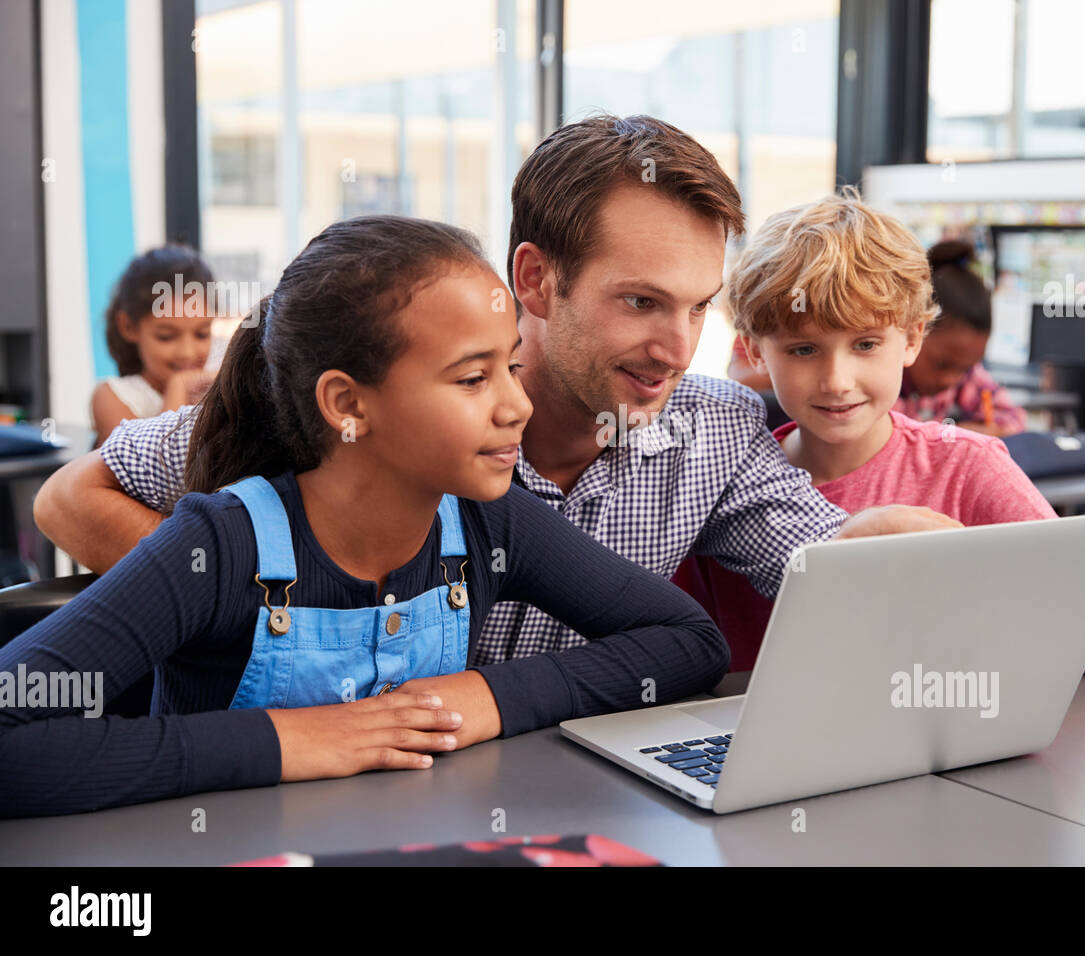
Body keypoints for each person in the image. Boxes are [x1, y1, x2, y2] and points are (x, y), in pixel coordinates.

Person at [35, 115, 958, 667]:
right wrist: (232, 606)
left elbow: (818, 559)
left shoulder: (714, 431)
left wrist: (902, 546)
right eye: (640, 301)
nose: (677, 347)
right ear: (538, 281)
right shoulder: (401, 404)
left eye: (698, 307)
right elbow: (71, 497)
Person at [0, 215, 730, 818]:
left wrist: (487, 696)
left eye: (509, 367)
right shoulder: (220, 547)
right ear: (348, 405)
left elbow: (688, 641)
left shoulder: (489, 523)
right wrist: (290, 741)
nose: (518, 406)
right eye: (473, 379)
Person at [672, 191, 1085, 674]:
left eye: (866, 344)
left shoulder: (967, 467)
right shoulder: (722, 480)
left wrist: (963, 581)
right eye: (803, 350)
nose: (837, 381)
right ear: (754, 352)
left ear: (913, 339)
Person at [894, 239, 1027, 437]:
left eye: (964, 368)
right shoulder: (883, 384)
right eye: (942, 365)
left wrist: (962, 433)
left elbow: (1013, 418)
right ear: (912, 333)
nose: (950, 380)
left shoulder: (964, 379)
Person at [91, 245, 217, 444]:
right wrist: (178, 388)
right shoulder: (112, 397)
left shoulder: (214, 387)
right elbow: (159, 469)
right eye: (166, 337)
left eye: (201, 334)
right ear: (128, 327)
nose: (187, 352)